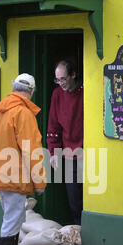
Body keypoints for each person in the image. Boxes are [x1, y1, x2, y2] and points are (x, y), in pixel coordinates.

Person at [0, 73, 46, 245]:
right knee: (12, 220)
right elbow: (31, 150)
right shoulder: (23, 114)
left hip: (1, 175)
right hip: (15, 177)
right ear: (32, 91)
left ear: (13, 87)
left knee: (14, 218)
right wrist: (39, 182)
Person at [46, 60, 83, 225]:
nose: (61, 83)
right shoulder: (57, 95)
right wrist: (53, 153)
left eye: (63, 79)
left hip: (89, 152)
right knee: (74, 203)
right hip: (69, 156)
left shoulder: (85, 92)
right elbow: (53, 125)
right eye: (57, 80)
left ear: (73, 75)